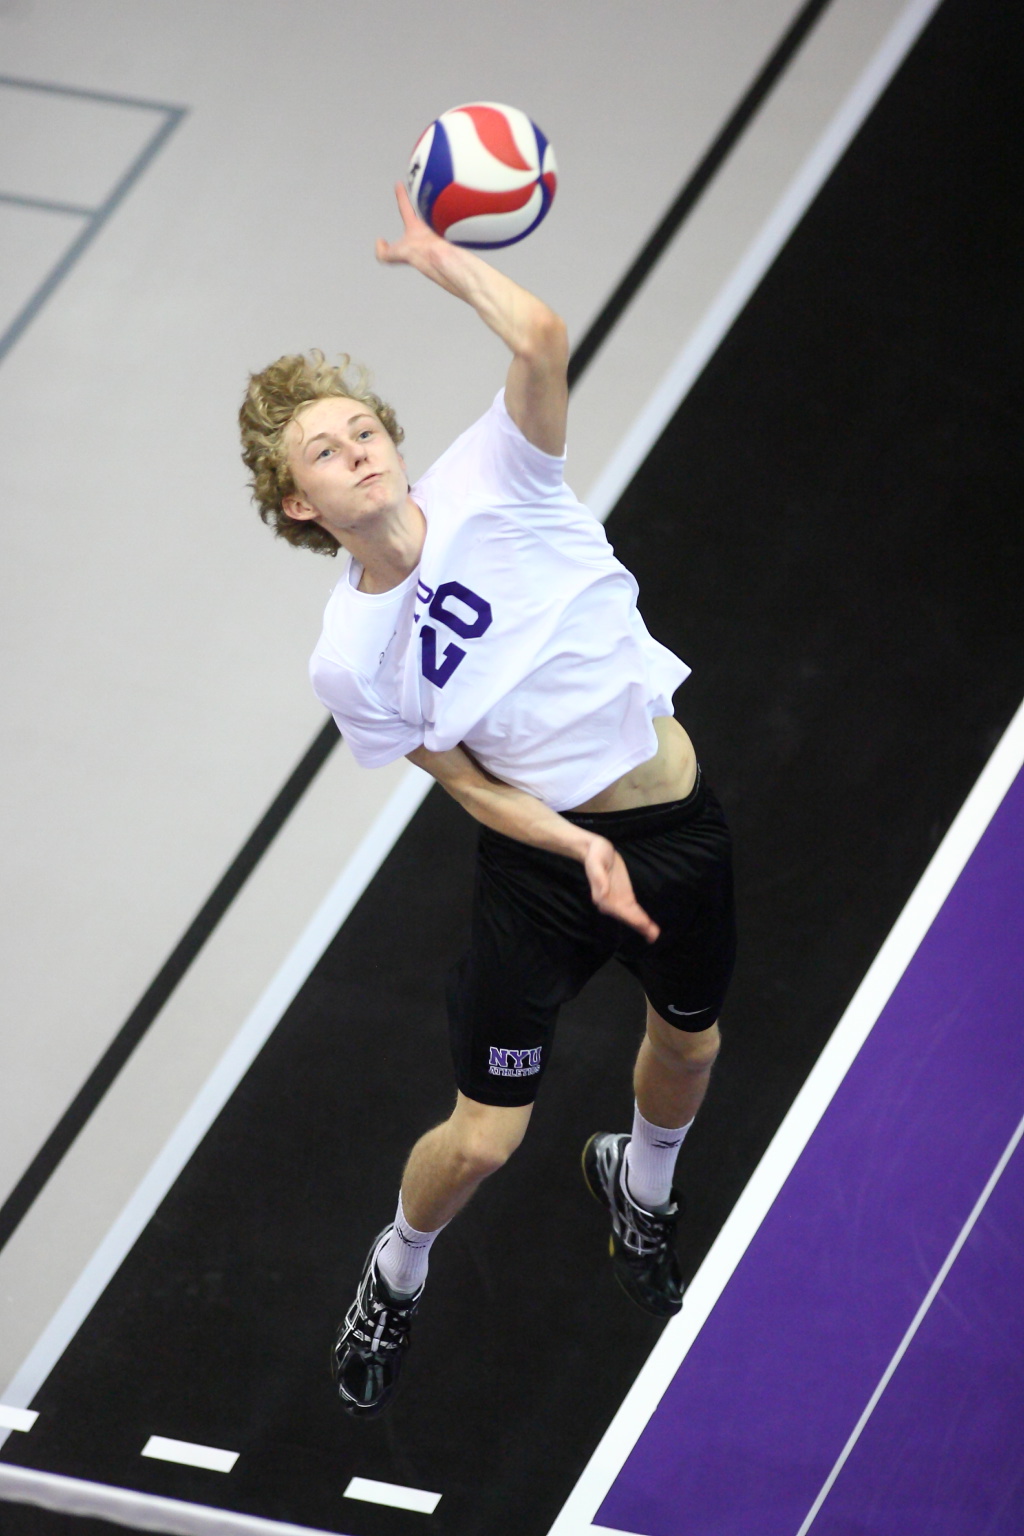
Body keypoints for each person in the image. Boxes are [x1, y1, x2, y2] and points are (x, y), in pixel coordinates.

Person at [238, 184, 736, 1418]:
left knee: (690, 1046)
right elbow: (460, 783)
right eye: (325, 450)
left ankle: (644, 1184)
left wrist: (439, 260)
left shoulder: (496, 475)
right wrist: (573, 844)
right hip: (545, 870)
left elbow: (543, 339)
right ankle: (396, 1269)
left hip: (674, 825)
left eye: (363, 429)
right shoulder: (351, 658)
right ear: (299, 504)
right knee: (481, 1142)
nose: (359, 449)